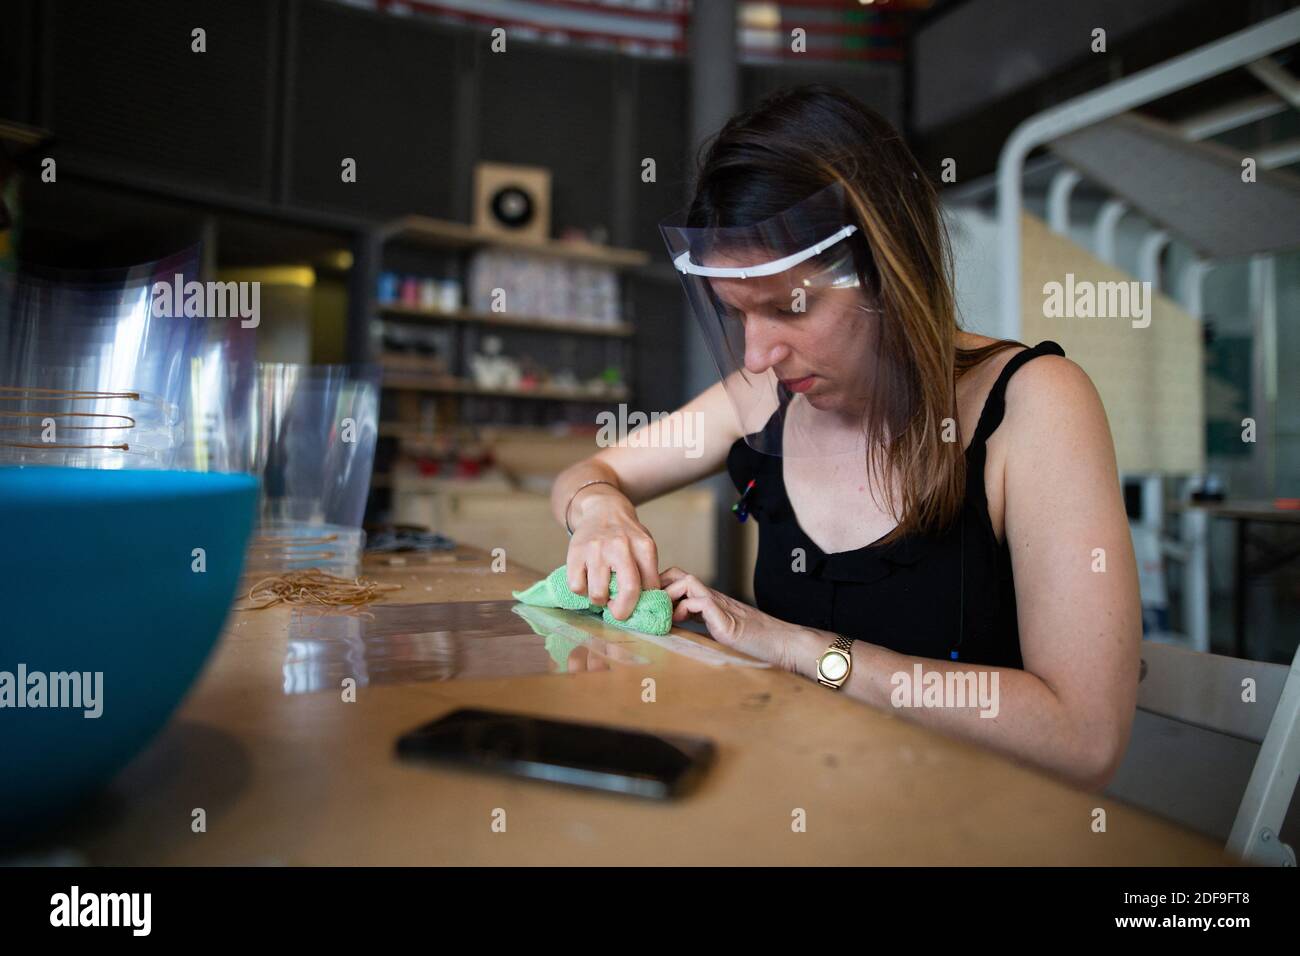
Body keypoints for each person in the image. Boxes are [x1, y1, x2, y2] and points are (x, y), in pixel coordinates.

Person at [550, 85, 1140, 791]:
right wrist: (600, 511)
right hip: (804, 802)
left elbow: (1083, 738)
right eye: (738, 315)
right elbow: (588, 472)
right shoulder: (763, 396)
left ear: (885, 272)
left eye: (787, 308)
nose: (759, 353)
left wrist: (800, 649)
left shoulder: (1034, 403)